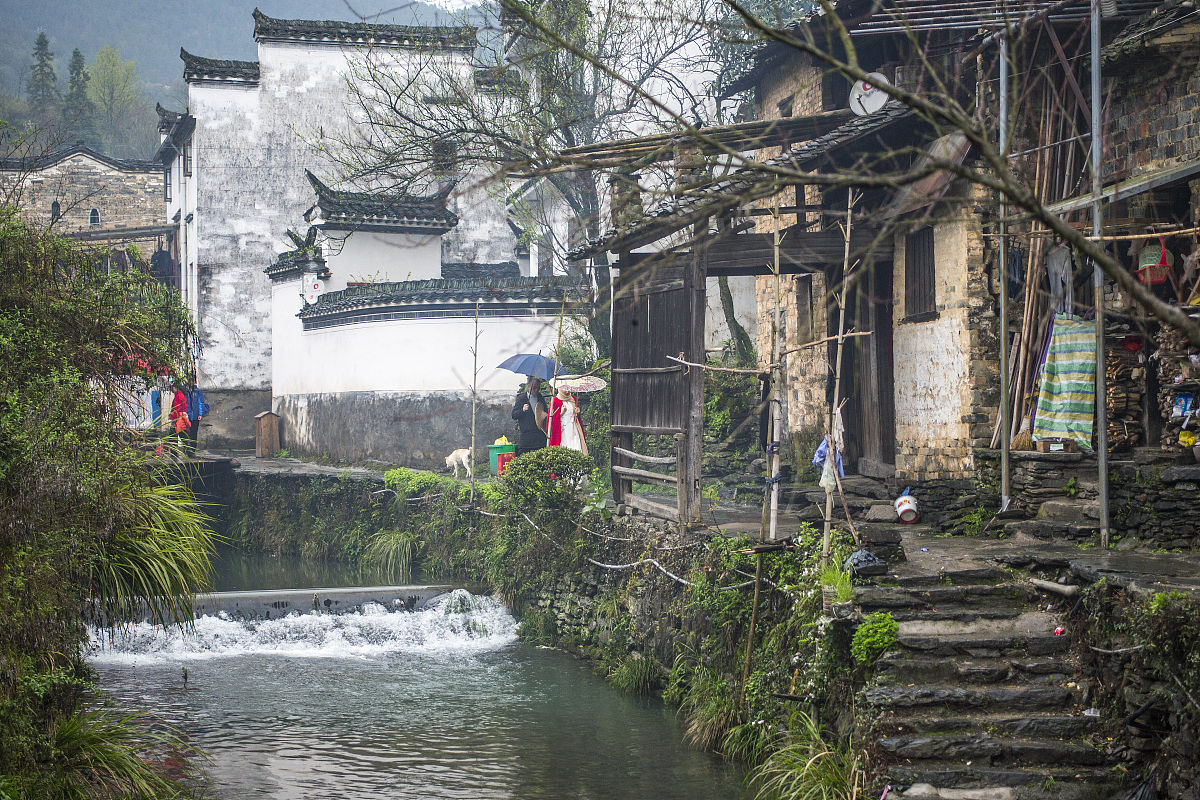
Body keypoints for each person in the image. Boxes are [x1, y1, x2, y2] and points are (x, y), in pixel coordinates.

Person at [548, 384, 588, 456]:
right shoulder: (555, 401)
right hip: (562, 431)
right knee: (565, 450)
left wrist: (577, 412)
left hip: (574, 429)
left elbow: (577, 417)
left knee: (576, 448)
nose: (567, 391)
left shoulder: (573, 399)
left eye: (568, 388)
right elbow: (550, 420)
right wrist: (561, 413)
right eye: (564, 389)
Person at [512, 376, 548, 456]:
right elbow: (514, 415)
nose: (536, 390)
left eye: (538, 388)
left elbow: (545, 411)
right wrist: (523, 410)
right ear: (529, 387)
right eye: (534, 387)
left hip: (539, 436)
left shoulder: (540, 397)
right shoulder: (521, 398)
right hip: (526, 436)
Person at [185, 377, 208, 452]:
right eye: (189, 381)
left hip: (195, 415)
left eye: (192, 382)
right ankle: (188, 448)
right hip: (188, 415)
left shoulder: (198, 391)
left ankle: (192, 449)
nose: (191, 383)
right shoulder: (186, 391)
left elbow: (200, 403)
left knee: (194, 433)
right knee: (187, 432)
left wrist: (200, 414)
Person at [167, 382, 190, 447]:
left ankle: (174, 454)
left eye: (172, 388)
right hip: (181, 418)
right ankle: (189, 452)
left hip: (178, 418)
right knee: (183, 436)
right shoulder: (180, 395)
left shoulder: (178, 396)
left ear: (176, 388)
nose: (171, 389)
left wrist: (172, 419)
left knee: (173, 437)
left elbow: (177, 409)